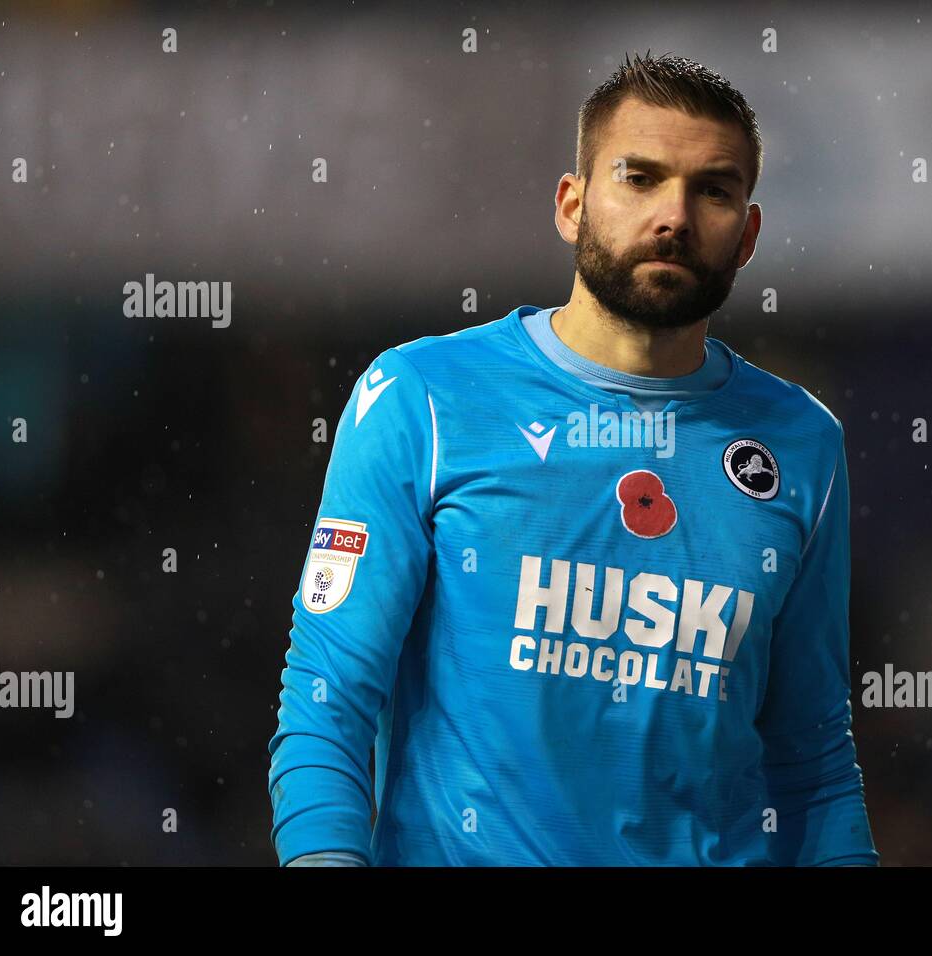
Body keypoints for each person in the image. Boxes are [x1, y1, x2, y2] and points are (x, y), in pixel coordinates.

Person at [269, 51, 877, 866]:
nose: (674, 216)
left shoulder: (803, 444)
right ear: (571, 203)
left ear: (749, 234)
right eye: (639, 177)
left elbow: (814, 761)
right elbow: (326, 702)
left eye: (714, 190)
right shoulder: (424, 398)